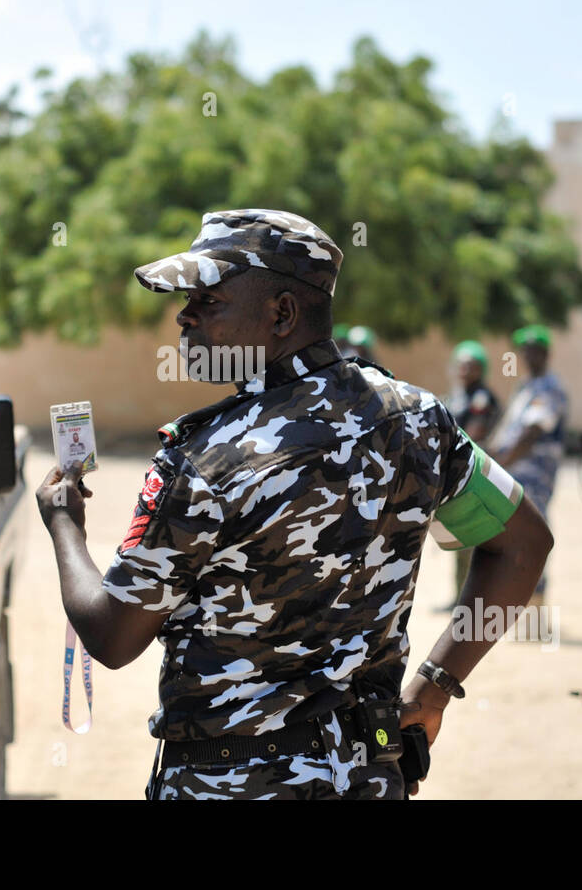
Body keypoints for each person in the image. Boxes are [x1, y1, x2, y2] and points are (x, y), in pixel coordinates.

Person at [36, 208, 553, 800]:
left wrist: (63, 524)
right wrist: (435, 684)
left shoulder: (206, 461)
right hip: (370, 778)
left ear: (281, 312)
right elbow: (522, 544)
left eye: (209, 299)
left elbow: (111, 635)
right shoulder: (418, 419)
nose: (184, 315)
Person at [489, 324, 567, 602]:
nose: (529, 355)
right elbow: (509, 431)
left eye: (536, 350)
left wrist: (500, 463)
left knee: (532, 534)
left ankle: (536, 605)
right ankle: (520, 603)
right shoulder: (526, 387)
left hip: (535, 475)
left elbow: (531, 433)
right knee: (513, 537)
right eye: (526, 350)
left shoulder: (549, 388)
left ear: (546, 354)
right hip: (516, 472)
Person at [442, 340, 502, 608]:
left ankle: (471, 602)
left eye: (472, 365)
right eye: (463, 364)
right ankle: (459, 598)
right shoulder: (457, 396)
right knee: (458, 540)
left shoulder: (482, 398)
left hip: (472, 473)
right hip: (453, 474)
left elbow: (474, 434)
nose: (466, 370)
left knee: (473, 539)